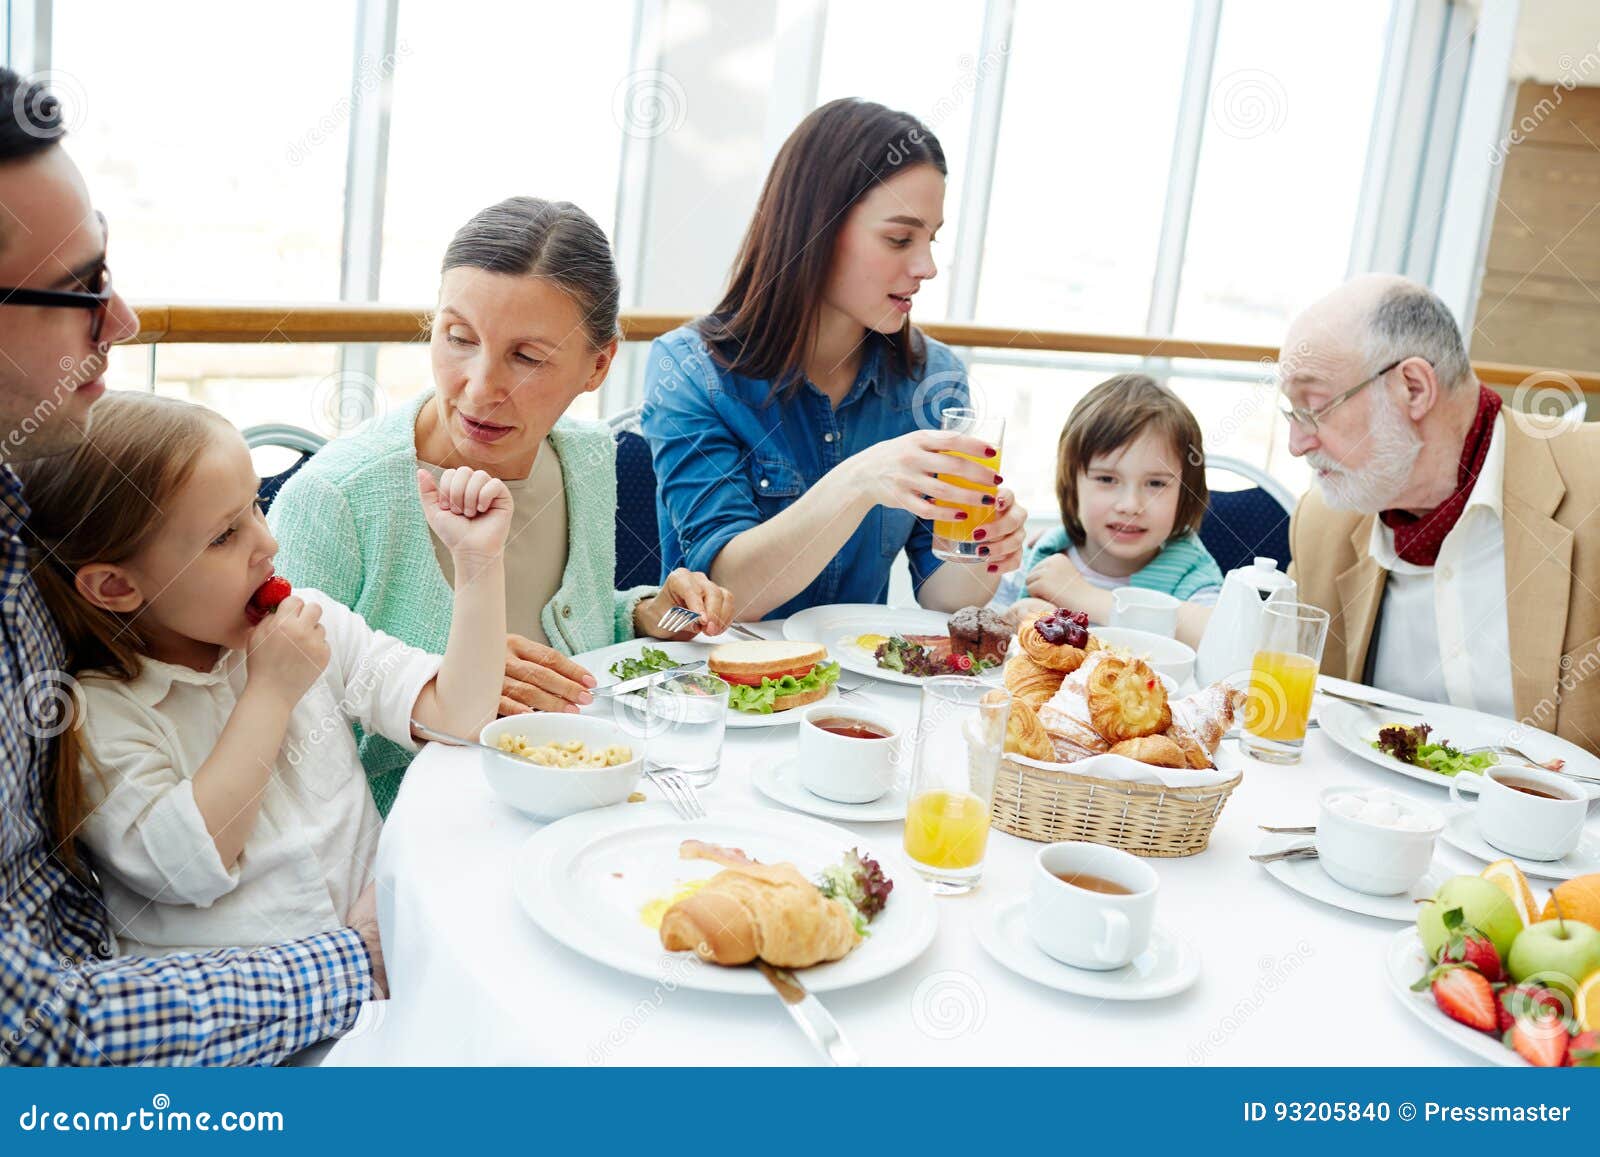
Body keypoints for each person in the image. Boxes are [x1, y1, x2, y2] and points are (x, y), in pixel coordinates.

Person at [0, 69, 382, 1065]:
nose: (122, 319)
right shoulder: (113, 681)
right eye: (82, 289)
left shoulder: (26, 519)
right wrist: (354, 961)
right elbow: (40, 1039)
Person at [269, 196, 732, 814]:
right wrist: (445, 681)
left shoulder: (588, 460)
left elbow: (567, 634)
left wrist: (645, 614)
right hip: (404, 836)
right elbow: (282, 735)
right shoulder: (334, 499)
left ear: (598, 366)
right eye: (458, 338)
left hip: (577, 804)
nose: (482, 386)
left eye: (528, 357)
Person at [19, 393, 509, 956]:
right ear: (116, 587)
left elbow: (460, 718)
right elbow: (186, 867)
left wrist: (478, 562)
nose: (268, 543)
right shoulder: (94, 713)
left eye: (255, 506)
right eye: (224, 536)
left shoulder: (309, 622)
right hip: (253, 1006)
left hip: (385, 961)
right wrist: (271, 694)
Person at [642, 98, 1028, 620]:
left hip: (848, 672)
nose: (927, 266)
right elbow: (729, 592)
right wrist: (860, 480)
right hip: (715, 666)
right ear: (816, 230)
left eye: (931, 239)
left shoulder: (934, 379)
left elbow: (941, 597)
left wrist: (985, 551)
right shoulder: (689, 369)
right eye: (899, 238)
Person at [1283, 273, 1600, 745]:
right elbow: (1295, 699)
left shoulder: (1591, 483)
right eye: (1291, 414)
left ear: (1413, 388)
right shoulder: (1322, 523)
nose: (1297, 444)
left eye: (1314, 408)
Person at [1005, 374, 1221, 647]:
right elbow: (986, 626)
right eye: (1107, 479)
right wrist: (1017, 621)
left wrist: (1087, 598)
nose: (1130, 505)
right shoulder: (1043, 555)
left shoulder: (1190, 572)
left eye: (1156, 483)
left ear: (1186, 493)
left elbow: (1224, 637)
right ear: (1072, 484)